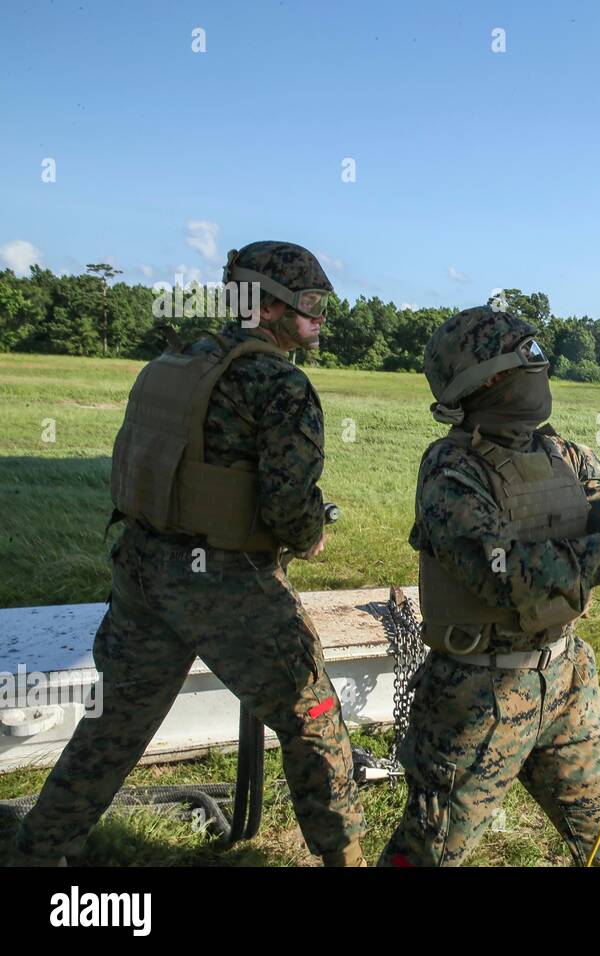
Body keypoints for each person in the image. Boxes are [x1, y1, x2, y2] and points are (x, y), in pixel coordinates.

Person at [11, 241, 366, 867]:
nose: (319, 318)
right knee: (312, 716)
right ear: (266, 306)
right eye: (309, 304)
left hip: (142, 568)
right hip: (226, 582)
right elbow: (288, 507)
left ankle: (38, 851)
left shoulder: (176, 362)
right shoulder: (280, 385)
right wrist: (311, 530)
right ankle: (349, 860)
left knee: (116, 721)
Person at [380, 305, 600, 867]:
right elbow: (497, 571)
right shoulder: (450, 470)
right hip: (477, 696)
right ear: (486, 380)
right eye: (529, 356)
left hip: (566, 677)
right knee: (430, 851)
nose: (542, 367)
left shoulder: (559, 452)